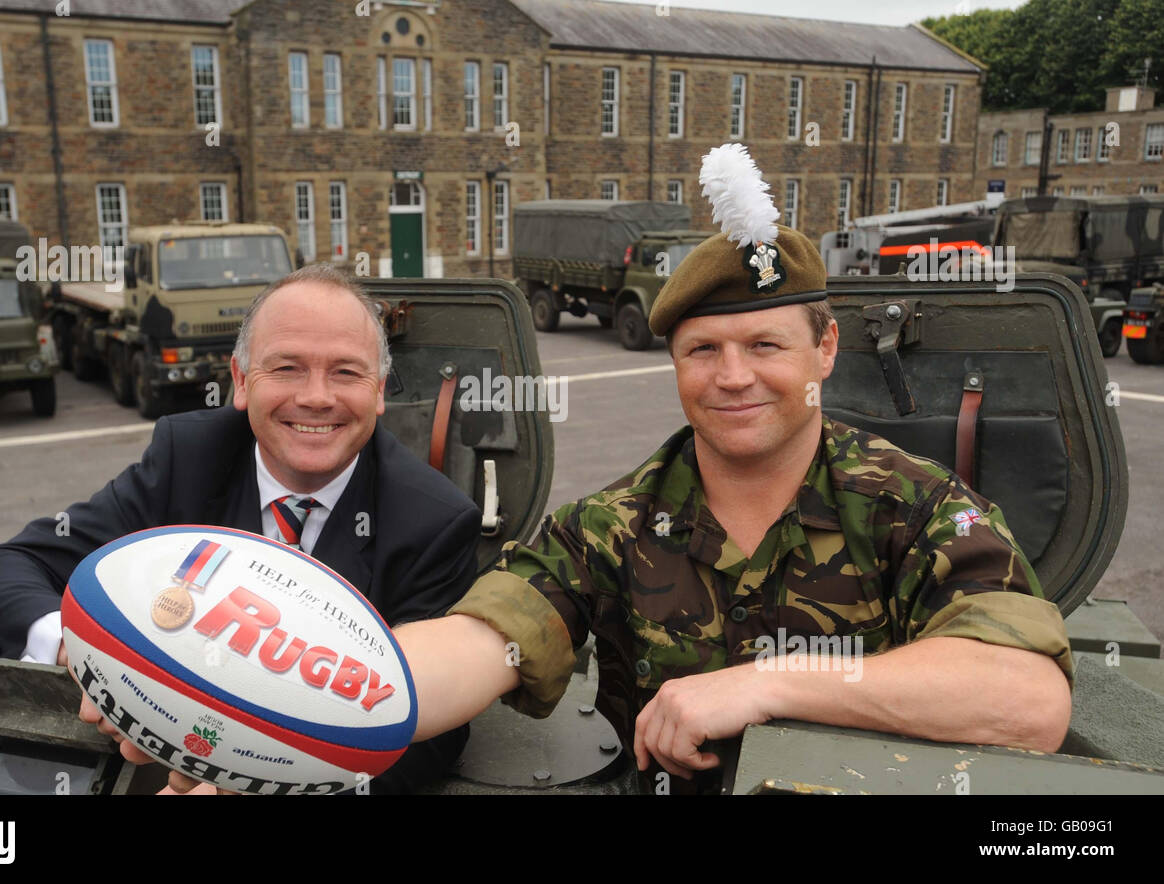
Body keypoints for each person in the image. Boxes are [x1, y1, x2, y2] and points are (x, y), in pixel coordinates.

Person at [121, 144, 1075, 797]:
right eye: (703, 349)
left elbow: (1025, 703)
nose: (733, 376)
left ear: (825, 350)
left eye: (765, 345)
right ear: (674, 364)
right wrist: (263, 718)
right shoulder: (613, 527)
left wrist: (770, 685)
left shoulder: (915, 507)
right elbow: (469, 646)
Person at [0, 263, 481, 794]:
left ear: (379, 390)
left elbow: (429, 738)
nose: (317, 396)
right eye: (287, 367)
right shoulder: (188, 459)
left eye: (346, 371)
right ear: (242, 380)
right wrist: (83, 650)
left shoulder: (434, 521)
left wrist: (246, 782)